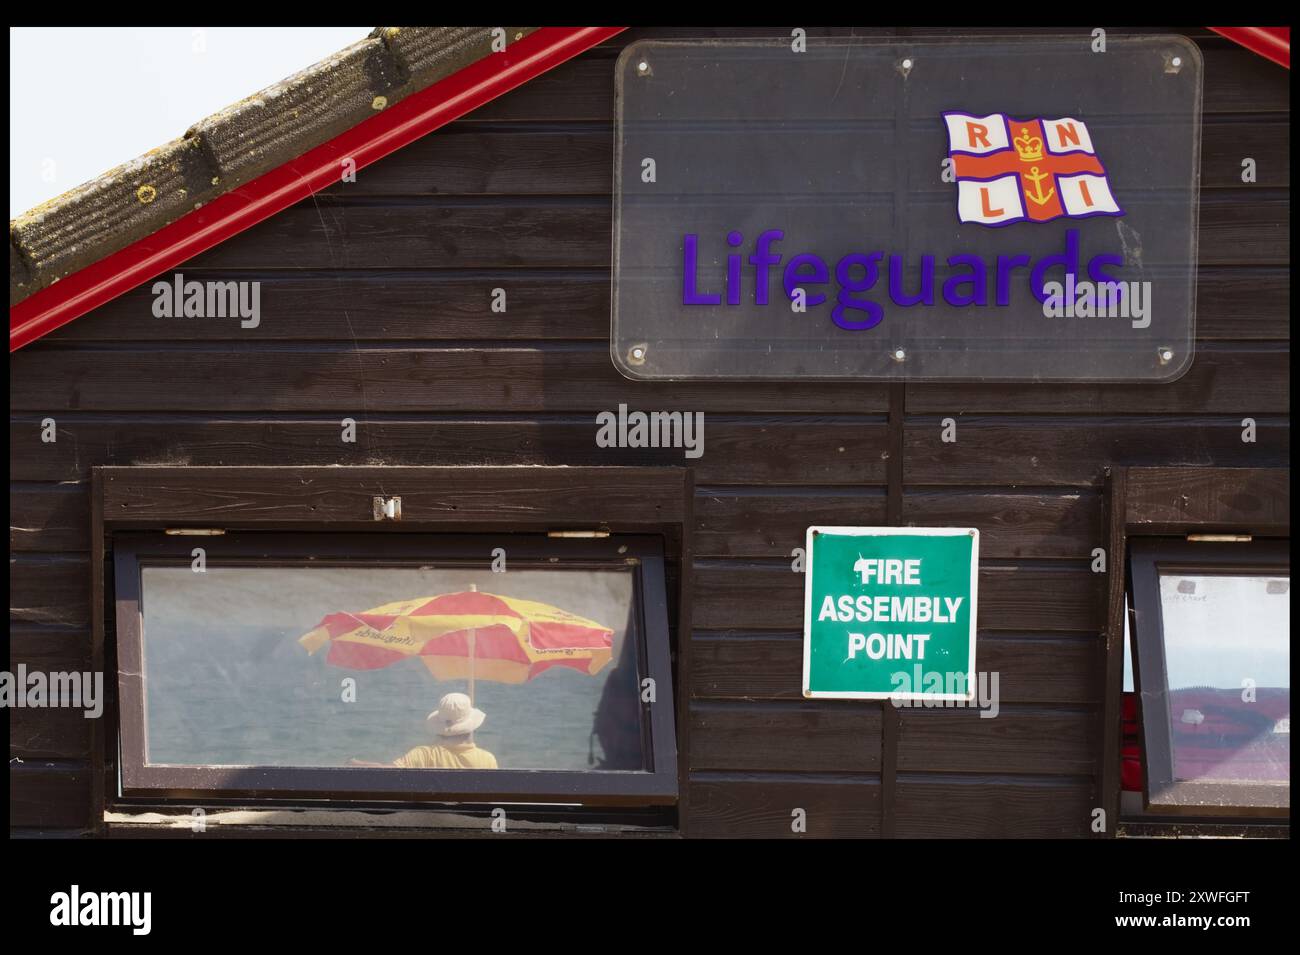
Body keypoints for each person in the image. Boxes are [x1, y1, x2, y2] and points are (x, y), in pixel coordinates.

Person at [352, 692, 498, 769]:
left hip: (427, 821)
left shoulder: (423, 755)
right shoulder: (487, 759)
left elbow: (387, 772)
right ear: (470, 726)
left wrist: (357, 764)